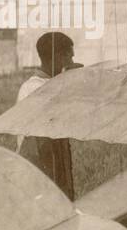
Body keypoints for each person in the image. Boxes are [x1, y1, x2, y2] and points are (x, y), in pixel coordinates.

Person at [16, 32, 82, 198]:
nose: (72, 62)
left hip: (53, 164)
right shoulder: (34, 88)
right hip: (40, 169)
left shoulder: (50, 84)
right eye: (70, 57)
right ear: (59, 57)